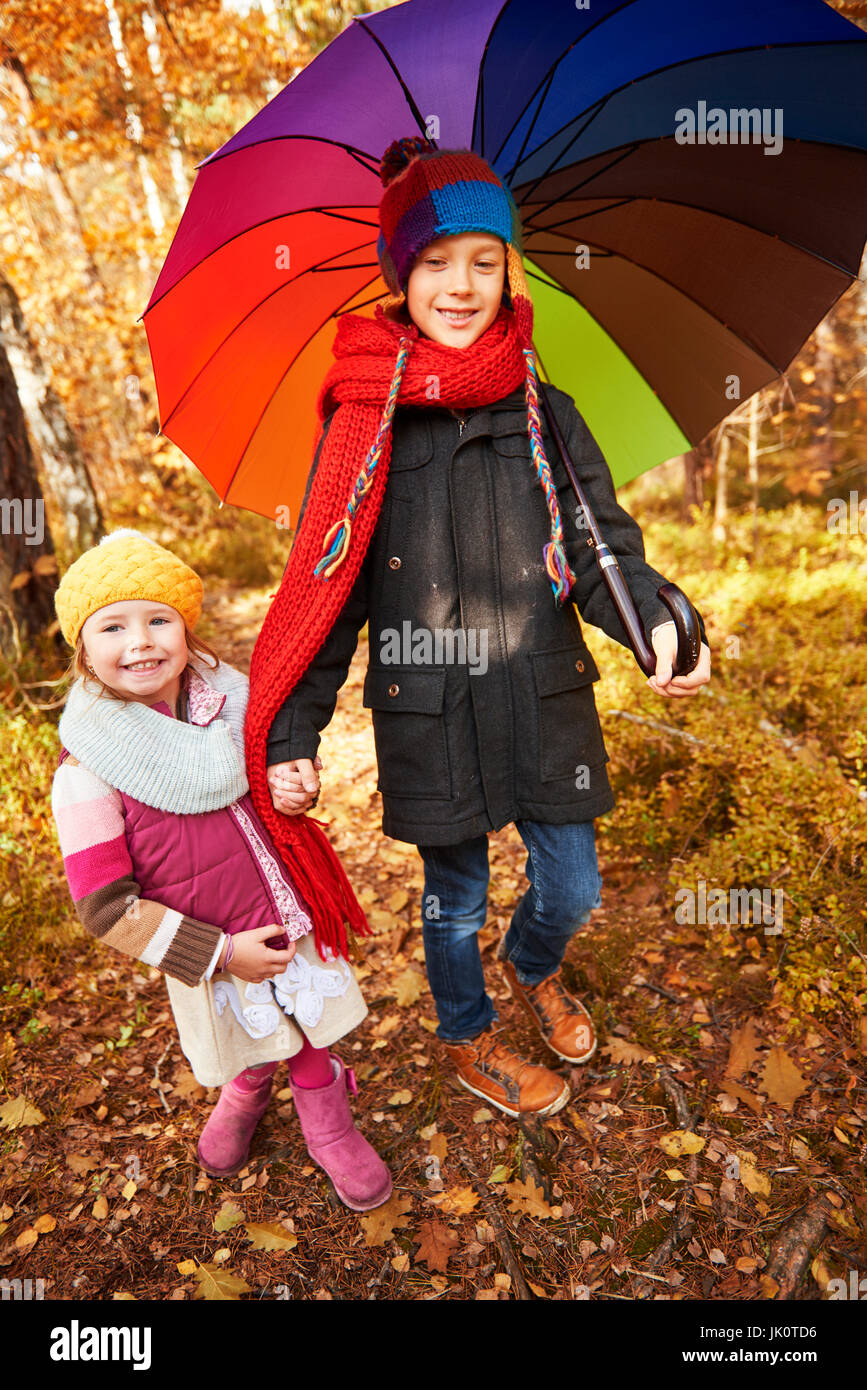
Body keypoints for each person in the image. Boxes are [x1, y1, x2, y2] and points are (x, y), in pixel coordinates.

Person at [244, 136, 712, 1120]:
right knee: (451, 897)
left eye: (484, 261)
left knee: (574, 884)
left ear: (509, 271)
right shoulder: (362, 430)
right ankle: (466, 1034)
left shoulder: (547, 412)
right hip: (430, 708)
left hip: (544, 694)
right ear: (401, 275)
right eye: (436, 262)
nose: (461, 286)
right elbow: (326, 594)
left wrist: (662, 620)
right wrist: (291, 734)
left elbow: (603, 552)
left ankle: (533, 961)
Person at [50, 528, 391, 1210]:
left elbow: (274, 779)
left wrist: (295, 784)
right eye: (112, 626)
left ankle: (327, 1125)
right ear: (84, 652)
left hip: (283, 912)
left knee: (306, 1034)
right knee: (250, 1034)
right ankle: (246, 1091)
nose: (140, 640)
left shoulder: (238, 706)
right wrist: (219, 952)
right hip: (211, 943)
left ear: (186, 629)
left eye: (158, 619)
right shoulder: (86, 771)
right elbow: (107, 908)